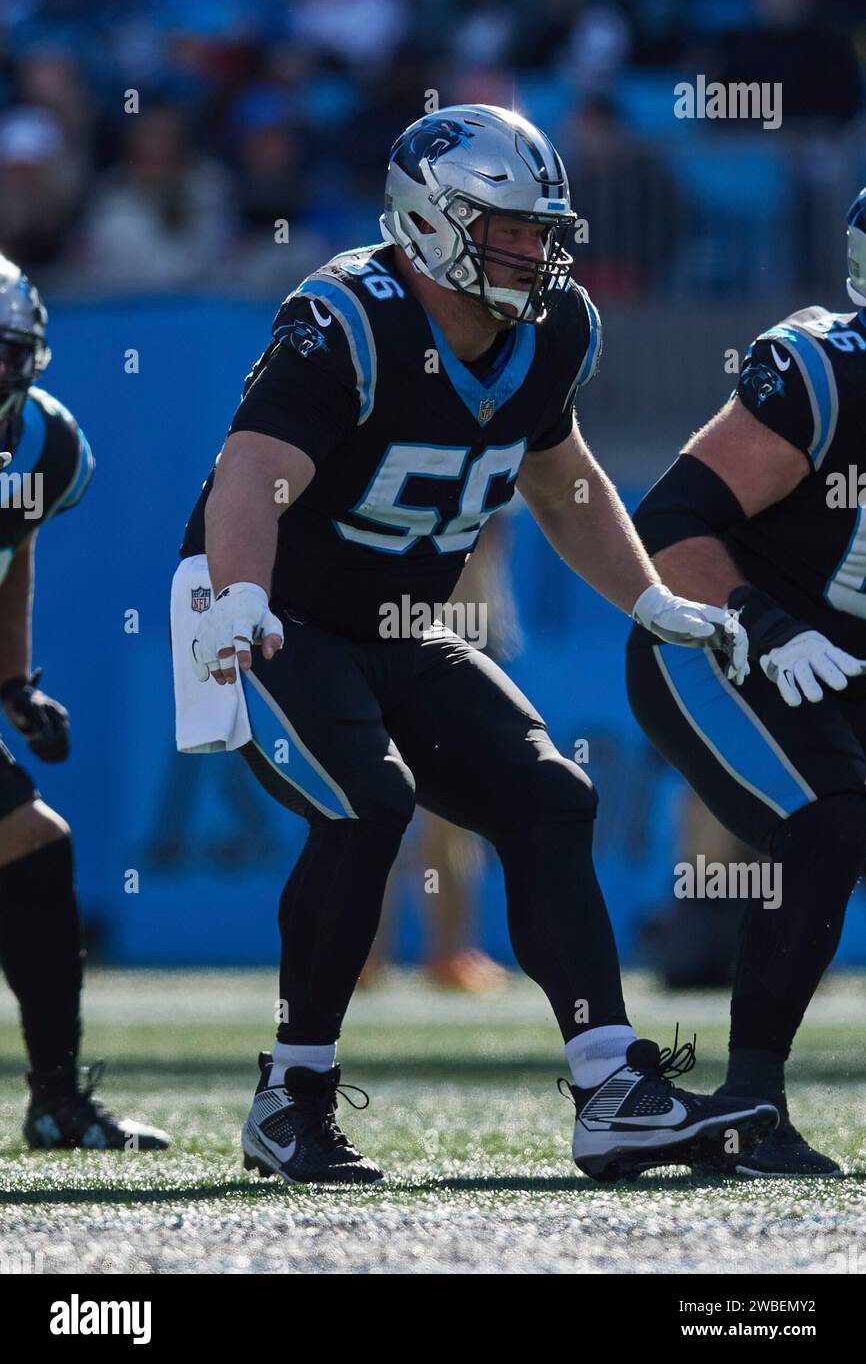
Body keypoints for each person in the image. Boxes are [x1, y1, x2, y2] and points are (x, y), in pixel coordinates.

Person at [175, 105, 775, 1185]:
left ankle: (611, 1090)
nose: (531, 252)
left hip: (403, 627)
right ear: (428, 221)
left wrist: (644, 597)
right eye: (503, 230)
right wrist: (240, 599)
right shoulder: (348, 314)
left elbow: (561, 476)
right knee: (367, 801)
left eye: (539, 230)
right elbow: (251, 469)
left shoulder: (553, 330)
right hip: (272, 618)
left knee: (551, 794)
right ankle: (291, 1098)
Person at [626, 185, 866, 1177]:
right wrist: (759, 621)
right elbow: (668, 519)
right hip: (719, 641)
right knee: (826, 819)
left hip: (840, 661)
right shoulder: (824, 371)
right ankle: (746, 1103)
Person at [0, 257, 168, 1151]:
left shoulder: (46, 444)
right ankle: (57, 1101)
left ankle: (57, 1100)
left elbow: (12, 548)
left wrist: (13, 681)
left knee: (33, 842)